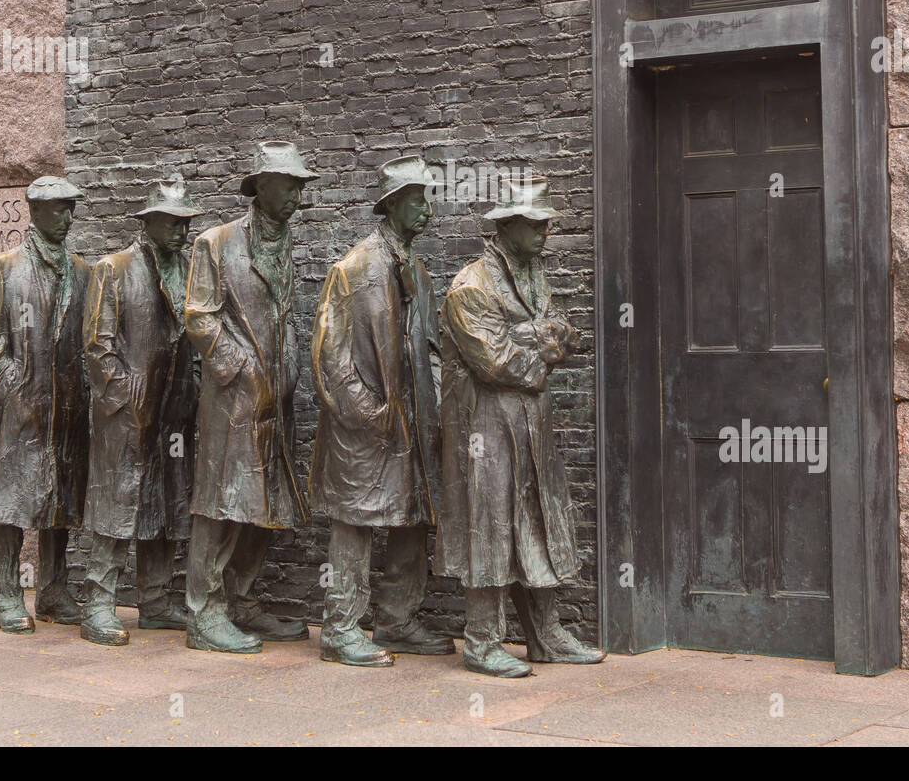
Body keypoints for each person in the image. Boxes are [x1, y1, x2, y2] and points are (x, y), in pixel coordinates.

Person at [437, 177, 605, 676]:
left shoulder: (536, 275)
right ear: (506, 226)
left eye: (547, 223)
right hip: (485, 427)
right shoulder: (471, 286)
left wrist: (536, 337)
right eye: (534, 224)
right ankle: (482, 640)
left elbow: (566, 332)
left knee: (538, 519)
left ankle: (545, 634)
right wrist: (541, 343)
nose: (545, 231)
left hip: (531, 421)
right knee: (489, 526)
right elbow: (498, 362)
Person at [309, 155, 455, 667]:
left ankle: (398, 619)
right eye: (419, 198)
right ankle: (341, 626)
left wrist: (433, 403)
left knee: (412, 517)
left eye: (430, 198)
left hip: (413, 422)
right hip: (366, 429)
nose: (429, 210)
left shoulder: (416, 269)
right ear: (393, 204)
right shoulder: (352, 270)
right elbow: (331, 360)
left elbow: (431, 347)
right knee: (355, 521)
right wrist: (372, 414)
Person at [182, 142, 317, 653]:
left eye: (301, 186)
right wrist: (239, 367)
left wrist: (286, 371)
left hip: (275, 403)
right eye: (289, 184)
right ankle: (204, 613)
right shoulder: (215, 243)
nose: (297, 196)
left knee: (266, 505)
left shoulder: (286, 242)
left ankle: (240, 600)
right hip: (233, 401)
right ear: (260, 186)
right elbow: (199, 315)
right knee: (220, 504)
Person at [79, 176, 204, 646]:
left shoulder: (190, 268)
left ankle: (155, 600)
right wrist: (123, 396)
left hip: (174, 408)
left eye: (185, 222)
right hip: (126, 413)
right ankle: (98, 600)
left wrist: (190, 391)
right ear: (149, 222)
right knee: (118, 502)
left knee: (167, 500)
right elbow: (96, 345)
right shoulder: (114, 269)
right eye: (172, 222)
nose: (181, 231)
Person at [0, 176, 91, 634]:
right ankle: (6, 593)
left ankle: (54, 590)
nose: (67, 217)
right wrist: (11, 386)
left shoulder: (83, 272)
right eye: (58, 209)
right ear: (35, 212)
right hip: (22, 407)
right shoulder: (4, 268)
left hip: (67, 408)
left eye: (70, 208)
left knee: (58, 497)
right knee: (10, 500)